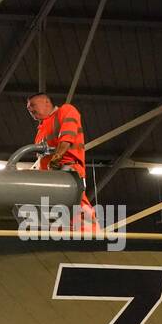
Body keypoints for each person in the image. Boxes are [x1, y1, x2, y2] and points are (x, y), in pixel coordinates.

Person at [26, 92, 99, 232]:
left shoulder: (65, 110)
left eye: (33, 105)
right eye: (28, 109)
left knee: (74, 203)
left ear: (47, 102)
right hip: (50, 176)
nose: (31, 110)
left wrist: (57, 156)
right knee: (60, 210)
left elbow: (67, 135)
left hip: (67, 171)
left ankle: (91, 234)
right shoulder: (41, 129)